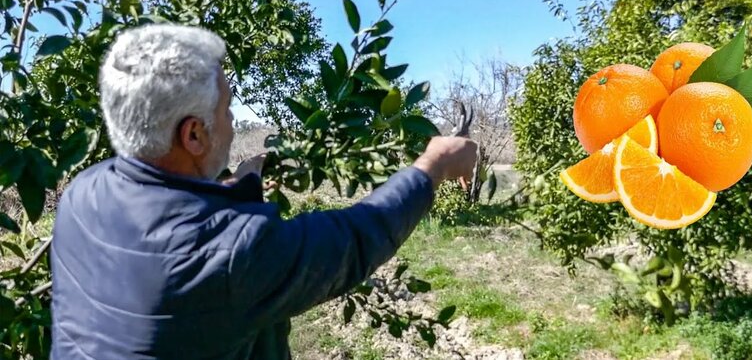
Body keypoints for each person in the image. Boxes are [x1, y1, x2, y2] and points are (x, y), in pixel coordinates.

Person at [49, 24, 478, 359]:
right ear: (194, 134)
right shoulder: (235, 255)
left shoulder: (84, 193)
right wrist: (433, 166)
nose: (233, 122)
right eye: (227, 109)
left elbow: (169, 224)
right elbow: (356, 238)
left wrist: (239, 187)